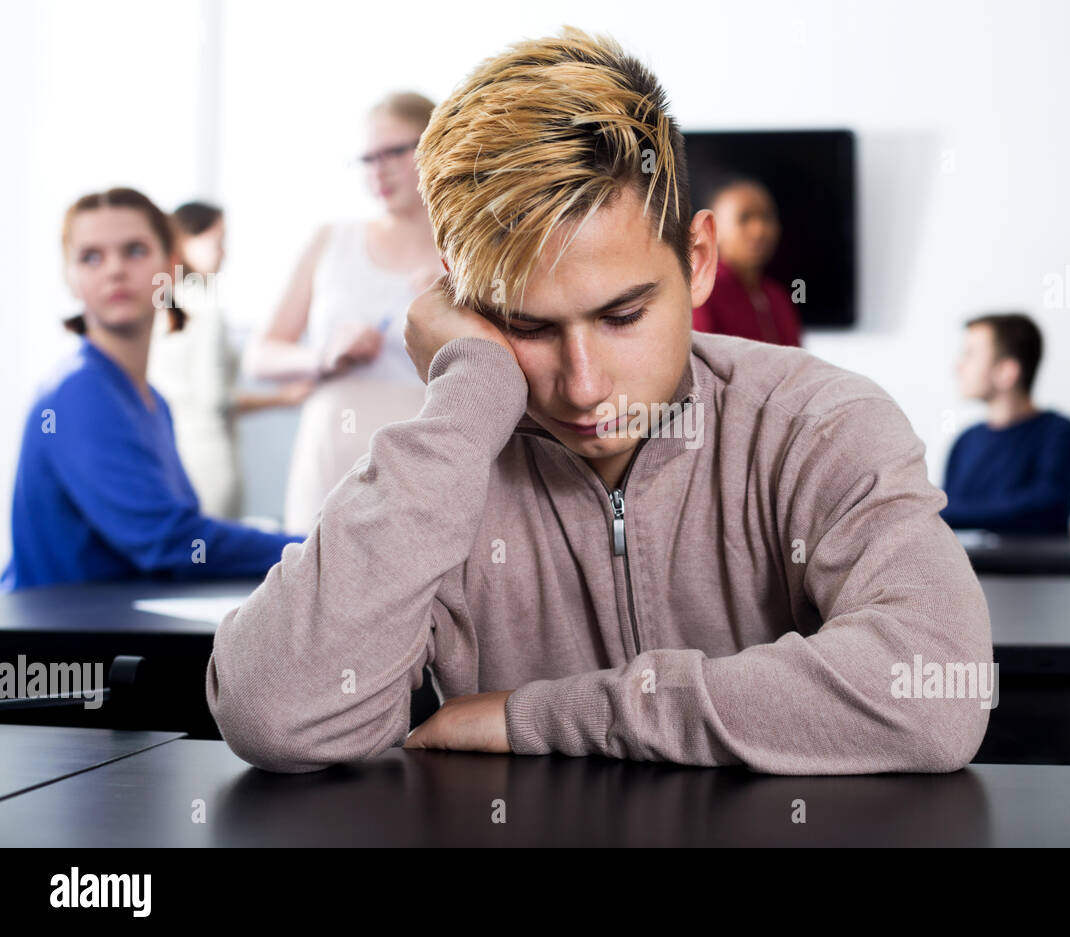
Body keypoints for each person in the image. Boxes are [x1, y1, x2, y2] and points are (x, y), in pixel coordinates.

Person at [206, 28, 992, 775]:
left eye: (623, 316)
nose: (582, 385)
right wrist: (471, 386)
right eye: (526, 326)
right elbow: (275, 711)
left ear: (700, 258)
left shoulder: (816, 421)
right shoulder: (447, 457)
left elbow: (935, 686)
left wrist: (549, 716)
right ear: (459, 299)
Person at [0, 188, 303, 592]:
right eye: (91, 257)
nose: (114, 270)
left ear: (171, 266)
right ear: (70, 277)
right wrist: (307, 546)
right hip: (59, 648)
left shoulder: (152, 401)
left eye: (135, 251)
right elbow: (168, 540)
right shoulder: (79, 392)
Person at [244, 92, 443, 534]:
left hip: (431, 466)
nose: (379, 169)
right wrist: (321, 356)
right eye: (367, 158)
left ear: (438, 145)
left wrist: (457, 300)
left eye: (394, 151)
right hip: (329, 462)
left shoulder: (471, 256)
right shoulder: (331, 242)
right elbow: (260, 355)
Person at [148, 201, 315, 519]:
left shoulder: (158, 307)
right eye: (217, 241)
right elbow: (216, 400)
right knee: (214, 562)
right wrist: (281, 399)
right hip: (207, 460)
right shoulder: (205, 311)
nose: (224, 253)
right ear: (184, 241)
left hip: (164, 456)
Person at [941, 313, 1070, 535]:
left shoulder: (1059, 434)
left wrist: (941, 511)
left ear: (1006, 372)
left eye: (969, 355)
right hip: (968, 568)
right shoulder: (966, 440)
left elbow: (1045, 509)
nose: (958, 367)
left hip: (1035, 569)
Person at [691, 176, 802, 346]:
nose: (759, 230)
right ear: (713, 230)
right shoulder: (703, 293)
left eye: (767, 217)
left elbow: (798, 365)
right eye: (744, 218)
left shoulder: (778, 297)